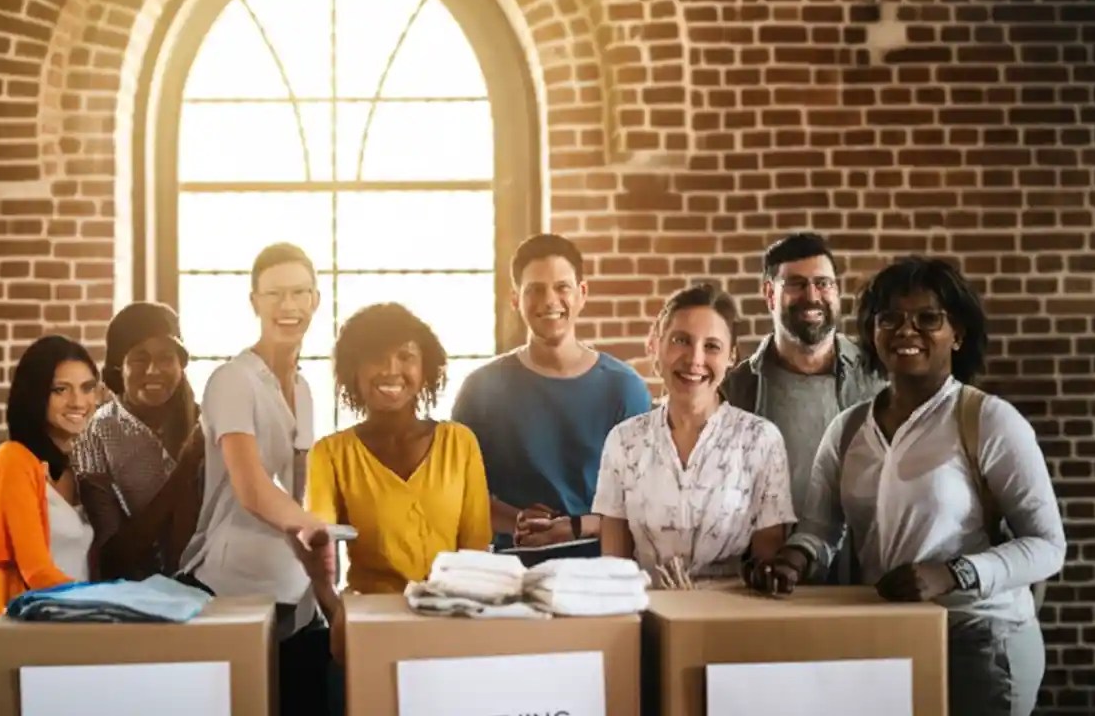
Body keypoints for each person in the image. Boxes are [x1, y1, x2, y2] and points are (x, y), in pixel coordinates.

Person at [749, 257, 1066, 716]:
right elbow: (820, 528)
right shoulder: (848, 427)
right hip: (887, 629)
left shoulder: (988, 420)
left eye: (928, 318)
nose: (906, 330)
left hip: (978, 638)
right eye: (890, 318)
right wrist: (793, 560)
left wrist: (951, 573)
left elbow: (1048, 546)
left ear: (956, 333)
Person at [178, 243, 335, 716]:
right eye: (275, 294)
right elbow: (250, 486)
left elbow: (300, 484)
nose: (289, 306)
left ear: (315, 300)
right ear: (254, 302)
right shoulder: (231, 380)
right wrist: (309, 524)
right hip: (233, 585)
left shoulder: (305, 389)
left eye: (300, 292)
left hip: (296, 589)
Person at [452, 234, 651, 559]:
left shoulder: (625, 389)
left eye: (562, 287)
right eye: (535, 290)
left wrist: (574, 527)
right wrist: (515, 519)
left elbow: (644, 504)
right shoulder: (480, 390)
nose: (550, 300)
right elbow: (460, 493)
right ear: (516, 300)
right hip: (509, 573)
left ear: (582, 294)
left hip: (602, 573)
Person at [593, 283, 795, 583]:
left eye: (711, 346)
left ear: (731, 356)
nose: (694, 359)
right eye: (680, 340)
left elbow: (768, 568)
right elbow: (614, 569)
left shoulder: (760, 440)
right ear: (656, 346)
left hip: (731, 615)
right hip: (645, 613)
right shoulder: (624, 442)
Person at [722, 232, 883, 583]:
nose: (812, 296)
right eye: (795, 284)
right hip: (772, 580)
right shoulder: (735, 389)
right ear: (769, 294)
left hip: (869, 581)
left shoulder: (879, 379)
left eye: (823, 283)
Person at [0, 335, 100, 716]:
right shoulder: (12, 461)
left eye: (87, 388)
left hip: (56, 639)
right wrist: (108, 604)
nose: (79, 402)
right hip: (5, 646)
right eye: (60, 390)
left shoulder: (73, 466)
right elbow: (36, 570)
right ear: (36, 395)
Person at [305, 302, 492, 597]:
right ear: (354, 369)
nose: (391, 370)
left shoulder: (459, 443)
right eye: (376, 357)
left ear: (425, 368)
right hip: (371, 621)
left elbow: (476, 550)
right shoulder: (330, 454)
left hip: (452, 614)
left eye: (405, 357)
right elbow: (319, 547)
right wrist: (335, 613)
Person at [72, 302, 204, 581]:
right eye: (140, 359)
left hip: (215, 586)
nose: (154, 370)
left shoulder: (208, 424)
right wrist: (187, 466)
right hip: (137, 592)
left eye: (167, 357)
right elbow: (112, 555)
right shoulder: (96, 434)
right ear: (119, 366)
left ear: (181, 365)